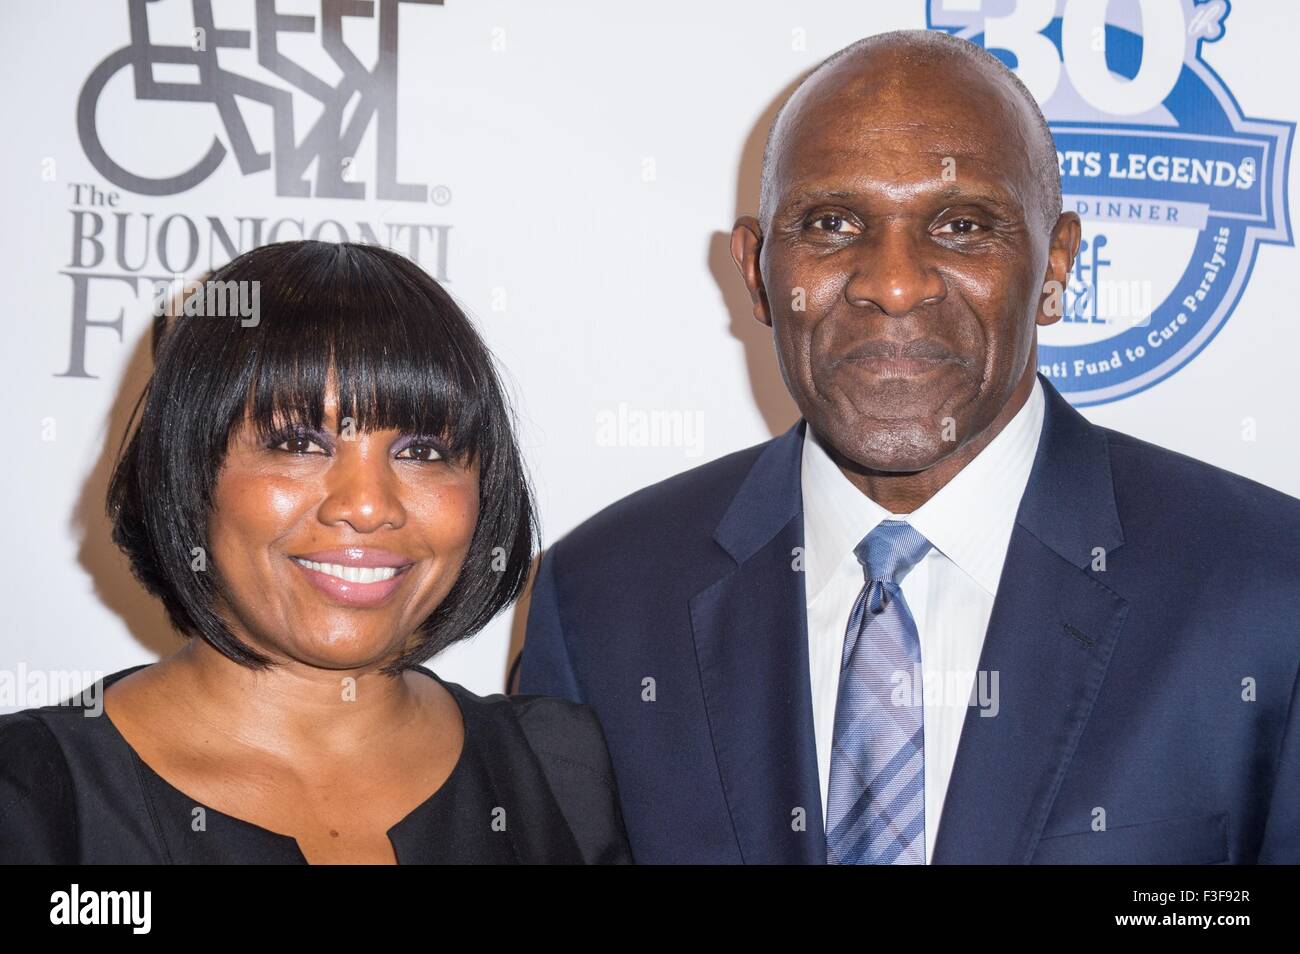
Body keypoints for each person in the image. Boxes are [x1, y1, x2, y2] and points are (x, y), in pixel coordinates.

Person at [519, 30, 1300, 864]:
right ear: (755, 271)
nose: (894, 284)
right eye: (831, 222)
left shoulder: (1267, 590)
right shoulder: (603, 600)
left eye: (962, 226)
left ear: (1056, 268)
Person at [0, 240, 632, 864]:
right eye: (299, 444)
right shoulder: (30, 798)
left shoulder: (562, 770)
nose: (366, 505)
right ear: (187, 473)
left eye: (421, 452)